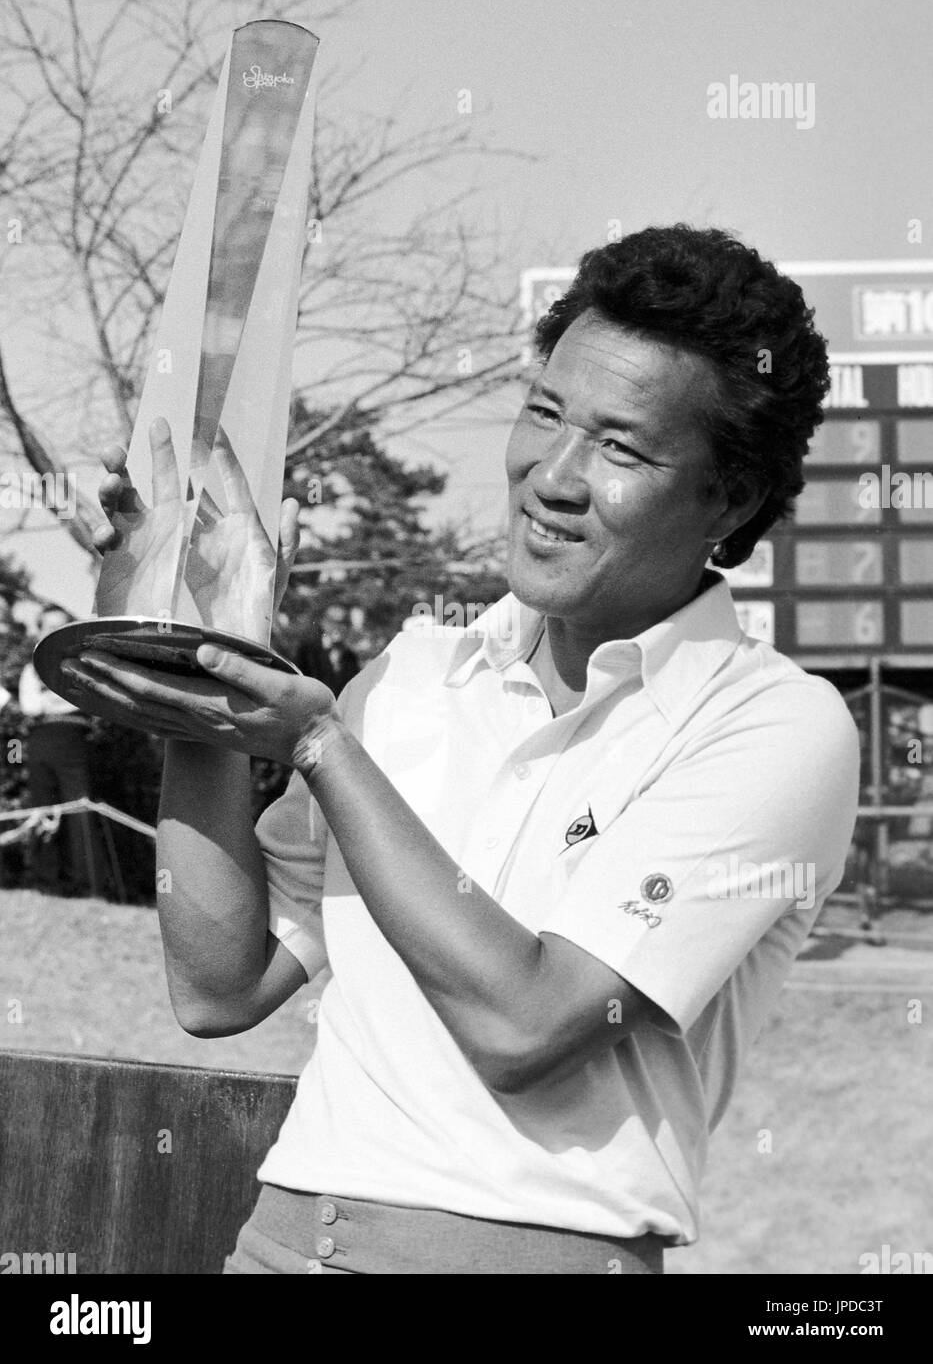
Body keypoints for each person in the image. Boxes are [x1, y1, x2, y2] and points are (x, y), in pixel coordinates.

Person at [65, 225, 860, 1274]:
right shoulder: (413, 675)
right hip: (276, 1246)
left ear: (730, 498)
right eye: (545, 413)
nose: (554, 477)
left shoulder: (772, 725)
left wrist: (315, 741)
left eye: (621, 448)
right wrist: (206, 667)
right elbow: (218, 988)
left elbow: (526, 1024)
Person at [19, 607, 103, 896]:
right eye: (46, 627)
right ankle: (47, 882)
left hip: (73, 737)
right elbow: (32, 707)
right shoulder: (31, 669)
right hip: (40, 738)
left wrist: (52, 699)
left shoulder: (83, 664)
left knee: (79, 807)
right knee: (42, 807)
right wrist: (57, 699)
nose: (50, 633)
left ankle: (88, 884)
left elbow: (84, 701)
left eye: (59, 627)